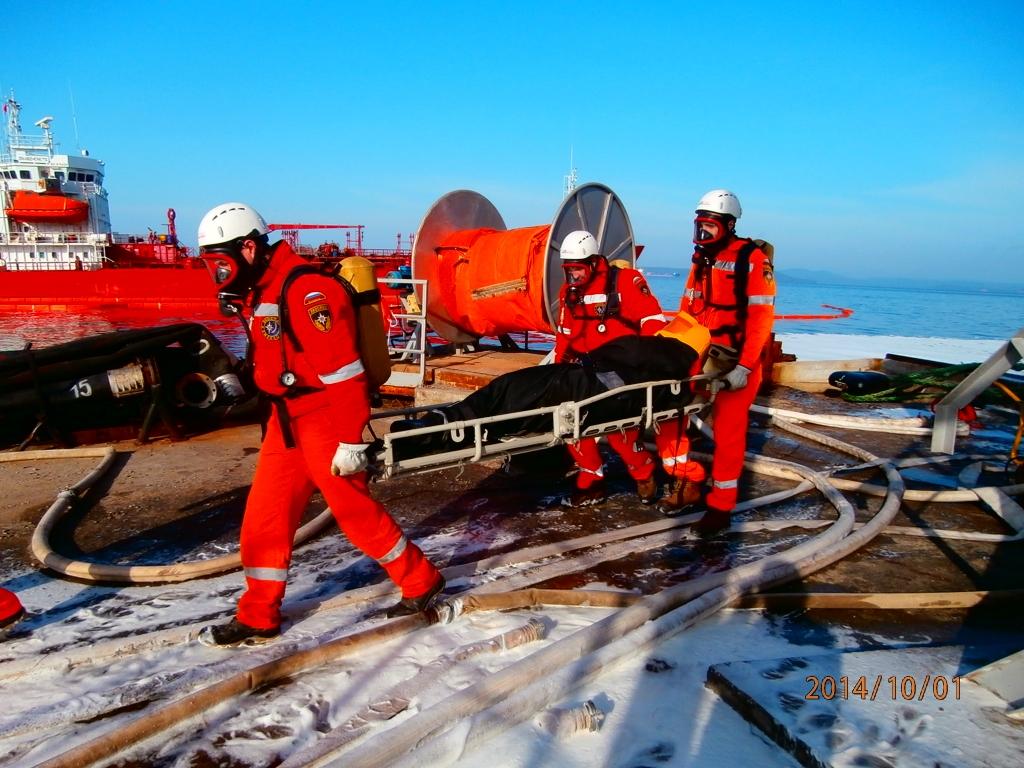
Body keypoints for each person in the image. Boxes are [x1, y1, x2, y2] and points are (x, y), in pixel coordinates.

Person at [196, 202, 443, 646]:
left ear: (248, 249)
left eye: (221, 264)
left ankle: (420, 580)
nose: (219, 274)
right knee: (264, 518)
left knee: (353, 511)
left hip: (324, 418)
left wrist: (351, 440)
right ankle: (258, 613)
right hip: (285, 421)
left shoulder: (307, 292)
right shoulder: (265, 292)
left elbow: (344, 373)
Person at [655, 189, 776, 534]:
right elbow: (686, 312)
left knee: (728, 432)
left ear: (729, 224)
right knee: (669, 411)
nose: (702, 233)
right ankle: (686, 481)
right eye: (699, 226)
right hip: (701, 352)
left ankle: (721, 507)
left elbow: (760, 320)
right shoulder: (700, 260)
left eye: (709, 226)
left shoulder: (751, 260)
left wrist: (746, 367)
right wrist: (667, 351)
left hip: (736, 359)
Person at [554, 230, 668, 506]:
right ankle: (592, 477)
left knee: (618, 430)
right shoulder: (569, 292)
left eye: (578, 270)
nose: (574, 277)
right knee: (570, 424)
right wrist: (556, 371)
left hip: (621, 369)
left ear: (594, 263)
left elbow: (653, 321)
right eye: (569, 271)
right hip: (584, 367)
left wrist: (647, 364)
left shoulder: (626, 282)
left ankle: (644, 472)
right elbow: (565, 335)